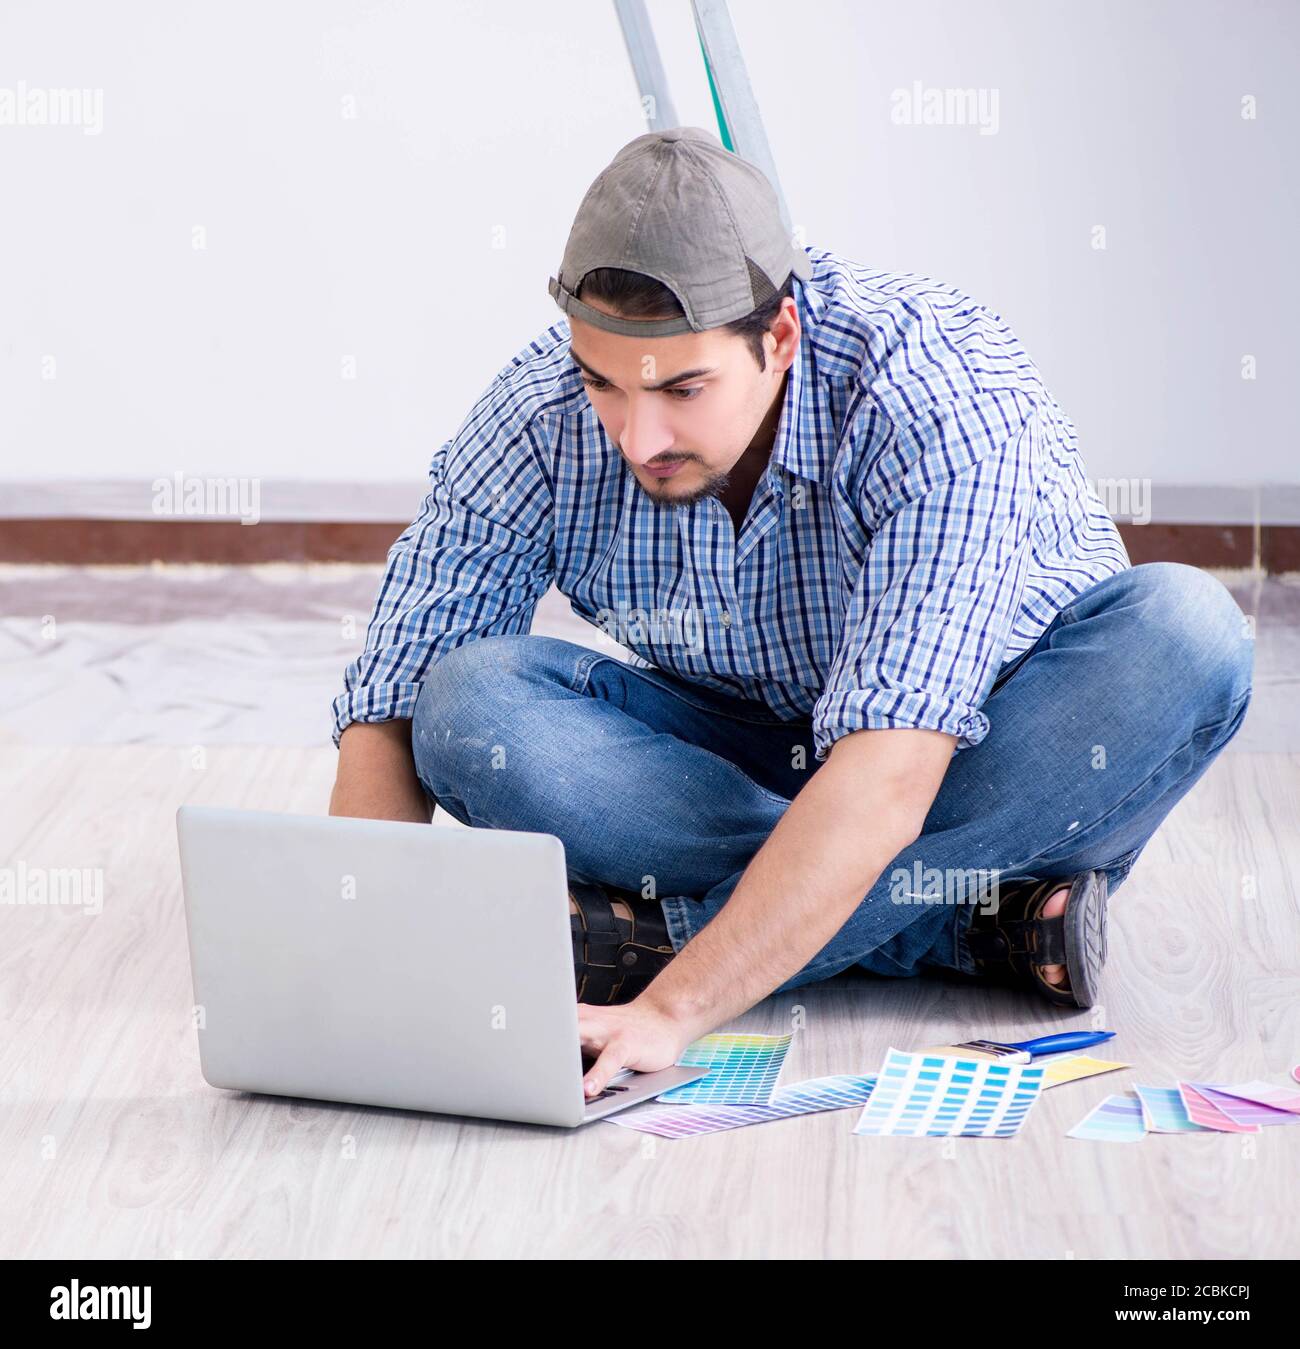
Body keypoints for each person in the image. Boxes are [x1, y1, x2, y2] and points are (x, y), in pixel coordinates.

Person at [329, 126, 1254, 1100]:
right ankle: (954, 923)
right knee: (466, 703)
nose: (639, 437)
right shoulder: (535, 410)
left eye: (684, 388)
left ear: (777, 338)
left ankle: (674, 934)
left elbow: (892, 773)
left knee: (1186, 632)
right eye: (603, 383)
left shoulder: (940, 389)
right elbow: (395, 693)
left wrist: (674, 998)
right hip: (738, 767)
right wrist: (358, 958)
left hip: (988, 759)